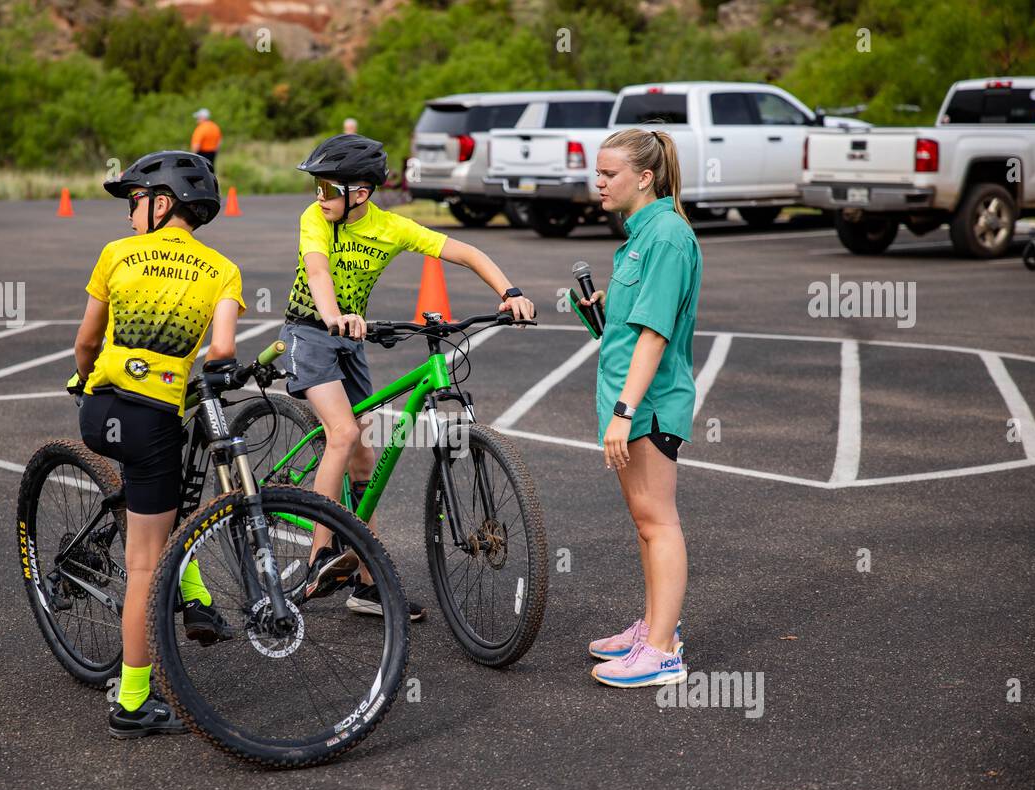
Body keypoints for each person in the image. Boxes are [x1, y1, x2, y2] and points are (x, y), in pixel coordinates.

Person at [282, 133, 536, 620]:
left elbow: (465, 252)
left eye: (328, 187)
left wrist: (511, 292)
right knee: (341, 432)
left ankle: (366, 582)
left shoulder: (390, 227)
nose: (319, 195)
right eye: (316, 186)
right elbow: (316, 273)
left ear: (361, 192)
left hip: (351, 340)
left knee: (364, 455)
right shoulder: (314, 219)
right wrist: (334, 314)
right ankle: (319, 555)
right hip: (310, 333)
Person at [70, 150, 246, 738]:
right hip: (153, 422)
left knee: (154, 514)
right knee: (145, 560)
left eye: (134, 200)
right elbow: (220, 351)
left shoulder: (116, 256)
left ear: (162, 202)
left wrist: (83, 378)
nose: (128, 214)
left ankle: (191, 591)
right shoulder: (221, 269)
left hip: (99, 413)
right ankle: (132, 701)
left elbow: (85, 343)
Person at [581, 128, 700, 689]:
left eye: (609, 174)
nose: (598, 182)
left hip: (648, 405)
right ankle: (656, 626)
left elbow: (654, 336)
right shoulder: (638, 235)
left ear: (644, 177)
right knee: (645, 523)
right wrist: (601, 309)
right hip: (631, 401)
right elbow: (629, 330)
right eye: (597, 173)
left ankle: (663, 652)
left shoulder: (667, 237)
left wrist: (624, 411)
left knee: (660, 522)